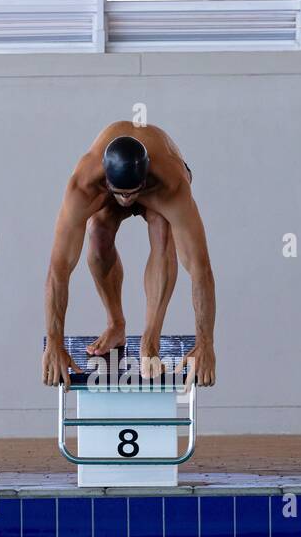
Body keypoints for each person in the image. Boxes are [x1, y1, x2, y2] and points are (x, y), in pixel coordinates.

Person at [41, 121, 216, 388]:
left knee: (162, 228)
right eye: (120, 194)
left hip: (157, 188)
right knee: (98, 230)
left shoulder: (172, 183)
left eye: (132, 194)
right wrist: (54, 342)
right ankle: (116, 325)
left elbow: (200, 268)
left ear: (143, 181)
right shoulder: (84, 185)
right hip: (110, 189)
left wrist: (205, 343)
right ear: (106, 181)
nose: (127, 201)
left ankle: (151, 339)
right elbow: (58, 269)